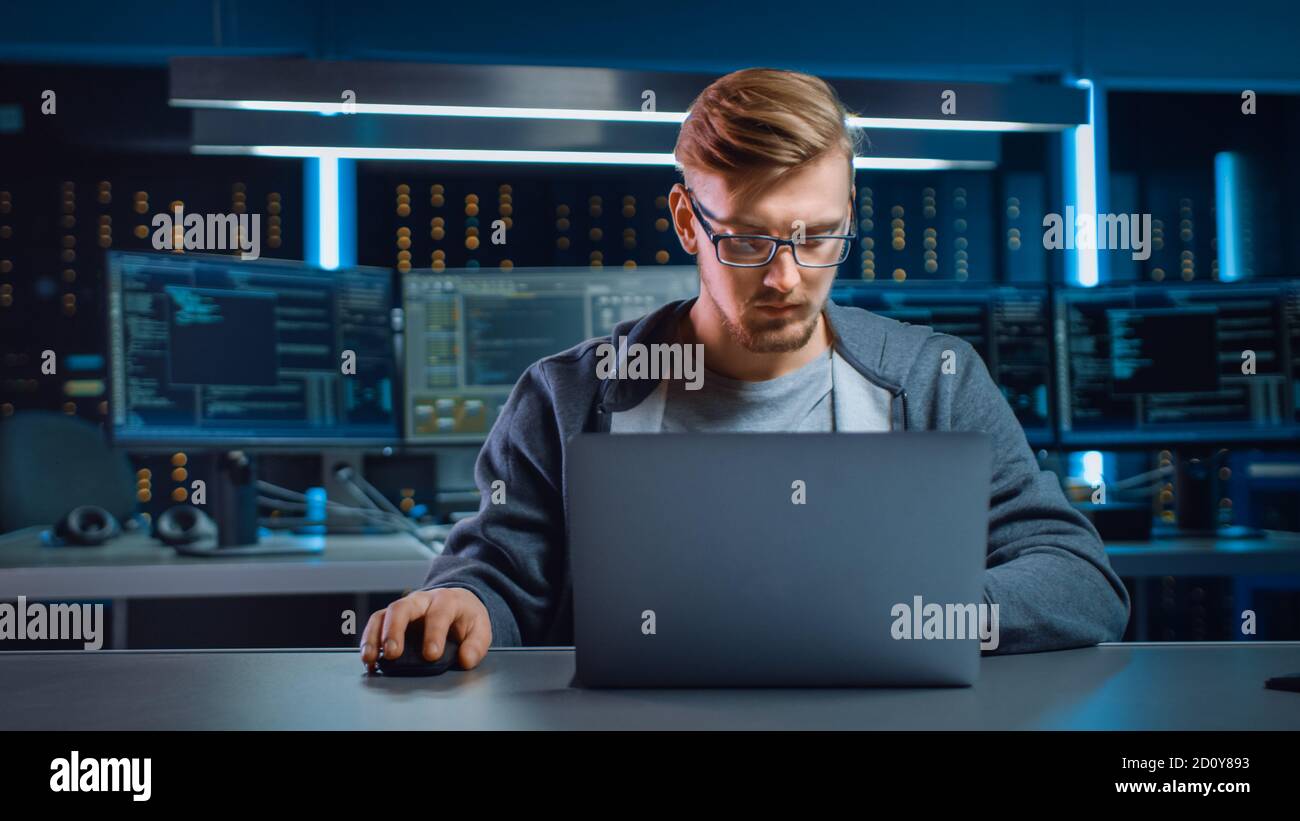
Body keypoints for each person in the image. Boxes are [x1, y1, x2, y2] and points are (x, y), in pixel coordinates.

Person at [360, 67, 1130, 672]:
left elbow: (1079, 582)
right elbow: (497, 579)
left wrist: (928, 613)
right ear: (686, 219)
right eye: (748, 242)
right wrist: (461, 603)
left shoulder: (936, 381)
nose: (786, 278)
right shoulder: (567, 399)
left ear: (849, 214)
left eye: (818, 237)